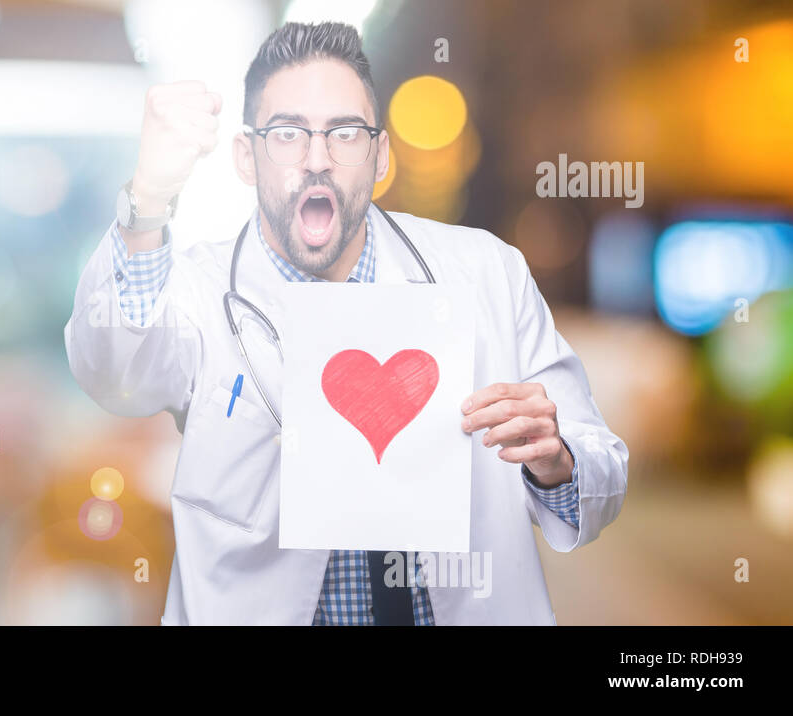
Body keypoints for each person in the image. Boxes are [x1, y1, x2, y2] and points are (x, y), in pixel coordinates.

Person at [64, 21, 628, 625]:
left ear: (380, 156)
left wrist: (556, 460)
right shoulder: (201, 294)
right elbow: (112, 371)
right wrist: (148, 195)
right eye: (286, 134)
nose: (316, 160)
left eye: (344, 133)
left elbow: (602, 477)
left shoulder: (488, 273)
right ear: (246, 158)